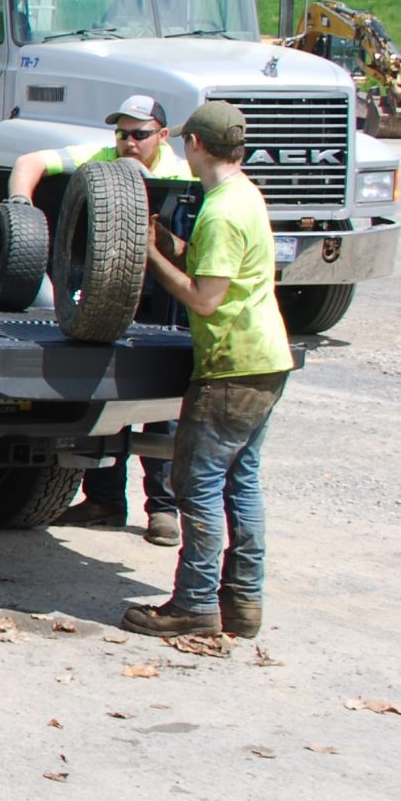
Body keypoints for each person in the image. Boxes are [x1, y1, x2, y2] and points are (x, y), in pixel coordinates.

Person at [127, 100, 292, 639]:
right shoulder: (243, 196)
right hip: (266, 358)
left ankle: (195, 604)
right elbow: (211, 262)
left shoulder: (220, 210)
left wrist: (151, 261)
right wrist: (163, 243)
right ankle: (243, 603)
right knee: (241, 484)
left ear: (194, 144)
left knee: (196, 483)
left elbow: (204, 298)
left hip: (231, 367)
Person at [7, 95, 194, 545]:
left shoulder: (182, 177)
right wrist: (21, 207)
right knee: (101, 394)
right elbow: (30, 161)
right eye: (122, 133)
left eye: (139, 134)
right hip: (103, 292)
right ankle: (104, 500)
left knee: (157, 408)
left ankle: (162, 509)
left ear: (163, 137)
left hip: (161, 298)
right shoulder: (105, 158)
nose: (128, 142)